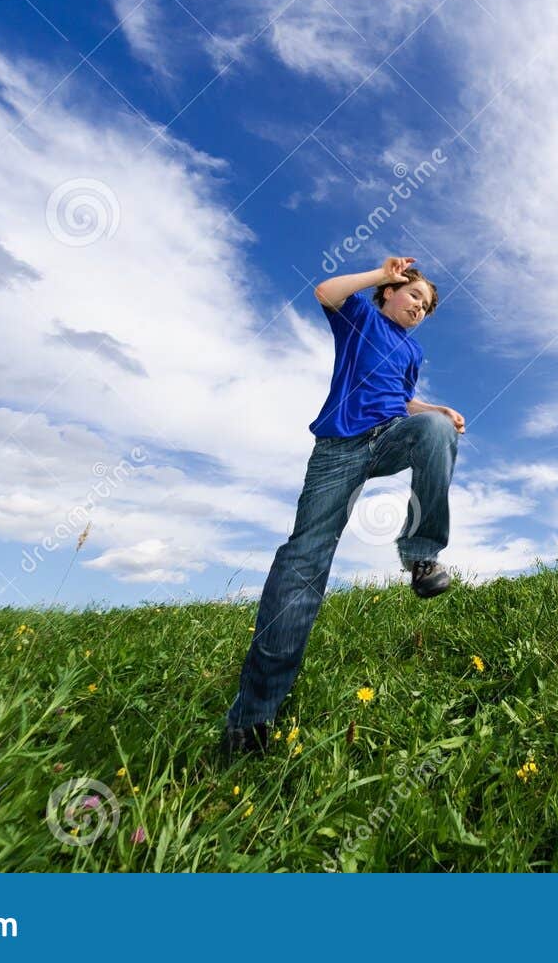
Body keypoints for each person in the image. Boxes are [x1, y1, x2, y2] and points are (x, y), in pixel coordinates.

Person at [221, 255, 465, 759]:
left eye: (428, 306)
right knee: (304, 560)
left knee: (438, 430)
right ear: (390, 293)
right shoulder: (362, 317)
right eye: (413, 295)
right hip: (339, 449)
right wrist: (381, 273)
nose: (420, 307)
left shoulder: (412, 351)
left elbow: (402, 401)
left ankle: (421, 556)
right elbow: (324, 292)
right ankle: (252, 719)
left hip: (391, 436)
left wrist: (433, 410)